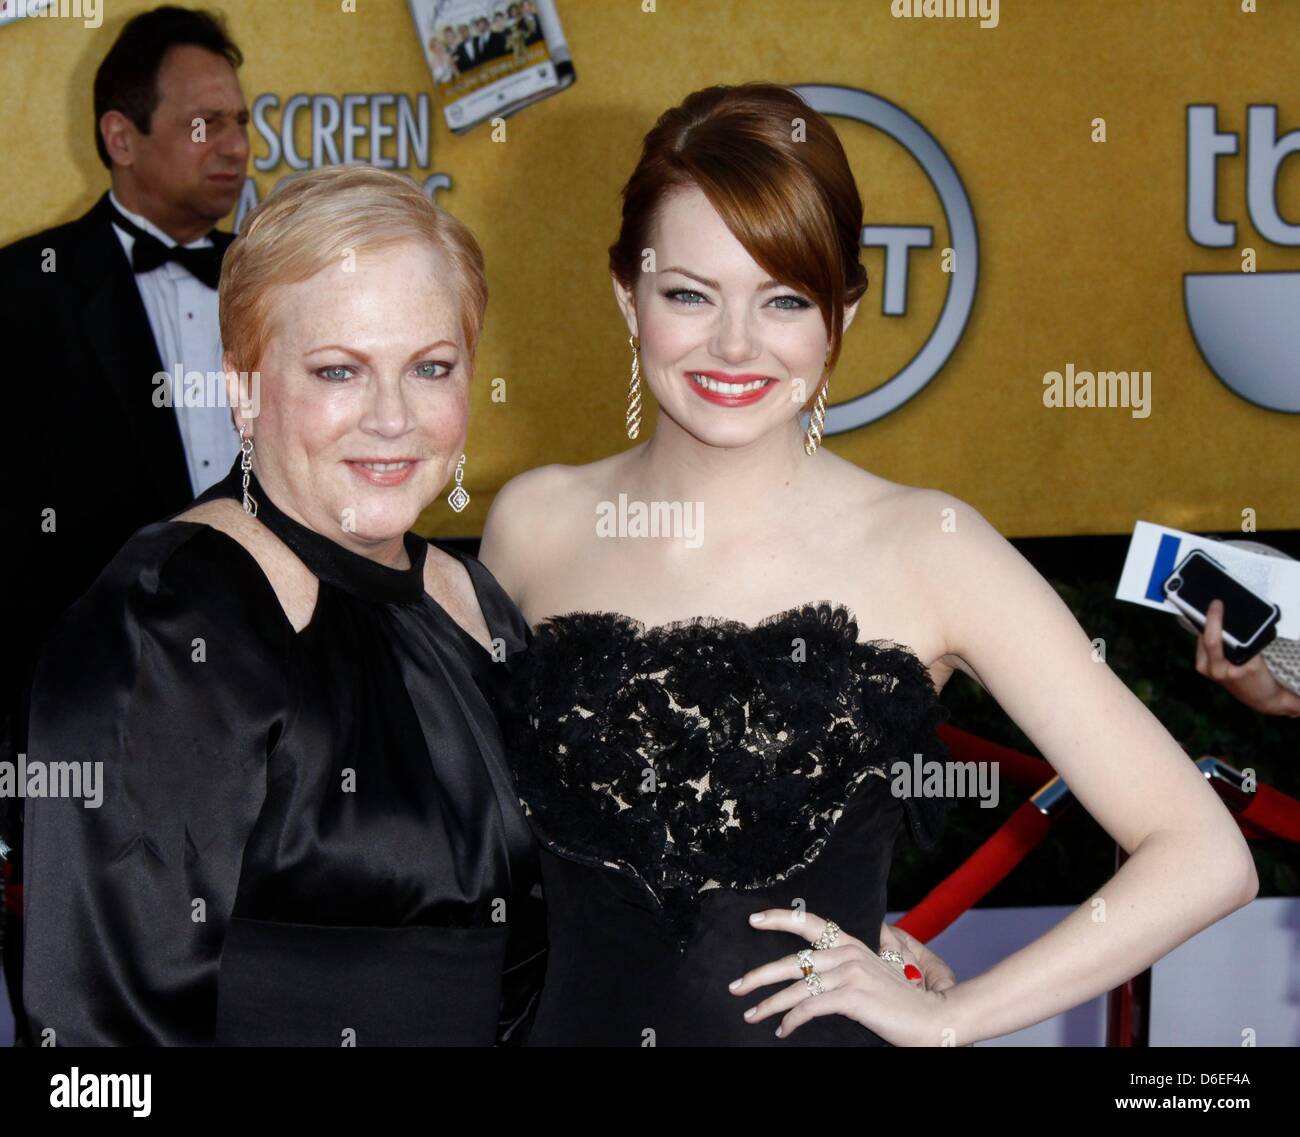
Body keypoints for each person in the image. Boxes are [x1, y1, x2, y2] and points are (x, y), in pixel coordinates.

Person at [480, 82, 1259, 1046]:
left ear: (840, 309)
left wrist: (956, 1015)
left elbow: (1202, 852)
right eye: (690, 293)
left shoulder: (928, 546)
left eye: (784, 299)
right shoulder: (532, 523)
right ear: (625, 294)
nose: (735, 344)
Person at [21, 165, 545, 1046]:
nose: (392, 418)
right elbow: (100, 1038)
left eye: (430, 366)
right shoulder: (170, 622)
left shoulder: (473, 599)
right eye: (339, 371)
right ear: (244, 387)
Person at [0, 3, 250, 1045]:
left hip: (256, 729)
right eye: (206, 123)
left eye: (242, 121)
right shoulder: (20, 296)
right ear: (120, 136)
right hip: (75, 733)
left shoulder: (281, 287)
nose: (235, 146)